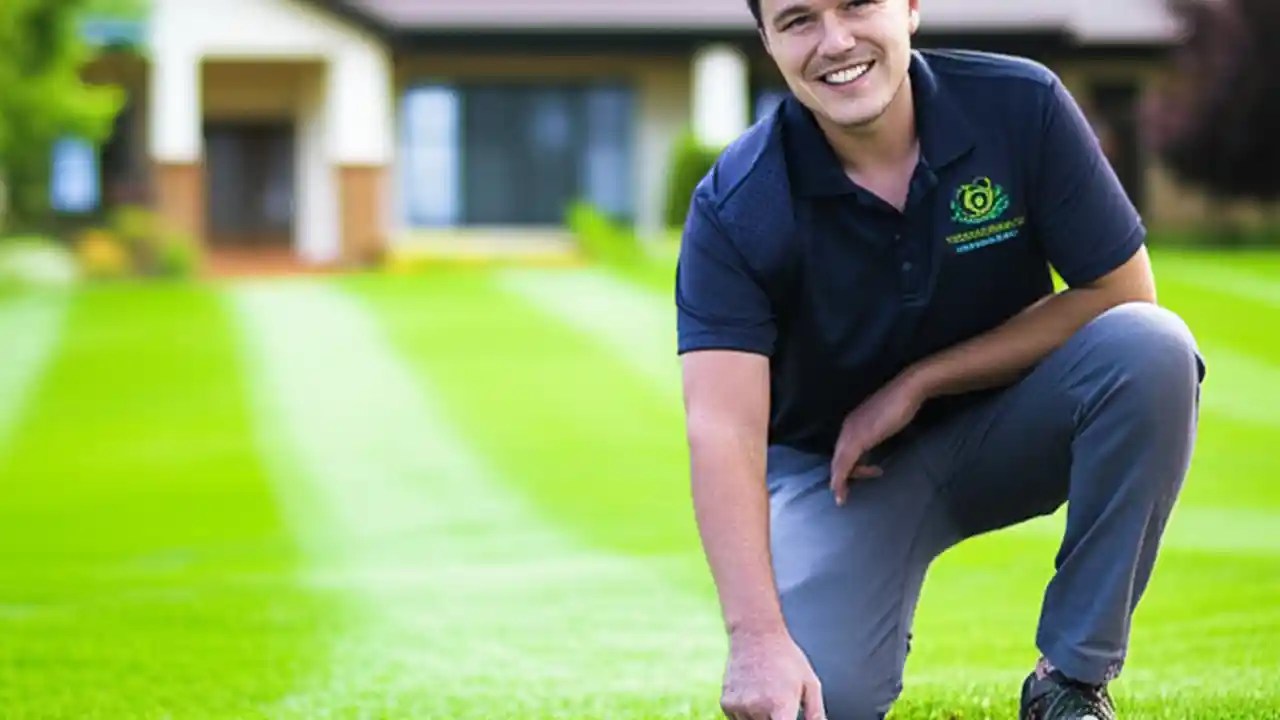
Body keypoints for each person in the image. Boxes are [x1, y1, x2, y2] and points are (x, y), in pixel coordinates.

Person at [674, 1, 1205, 719]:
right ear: (767, 42)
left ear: (911, 7)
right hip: (841, 477)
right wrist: (756, 638)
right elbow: (722, 429)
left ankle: (1071, 680)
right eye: (798, 19)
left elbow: (1121, 293)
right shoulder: (738, 205)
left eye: (857, 4)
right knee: (814, 702)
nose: (835, 41)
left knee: (1152, 347)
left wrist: (921, 381)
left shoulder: (1022, 105)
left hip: (1007, 431)